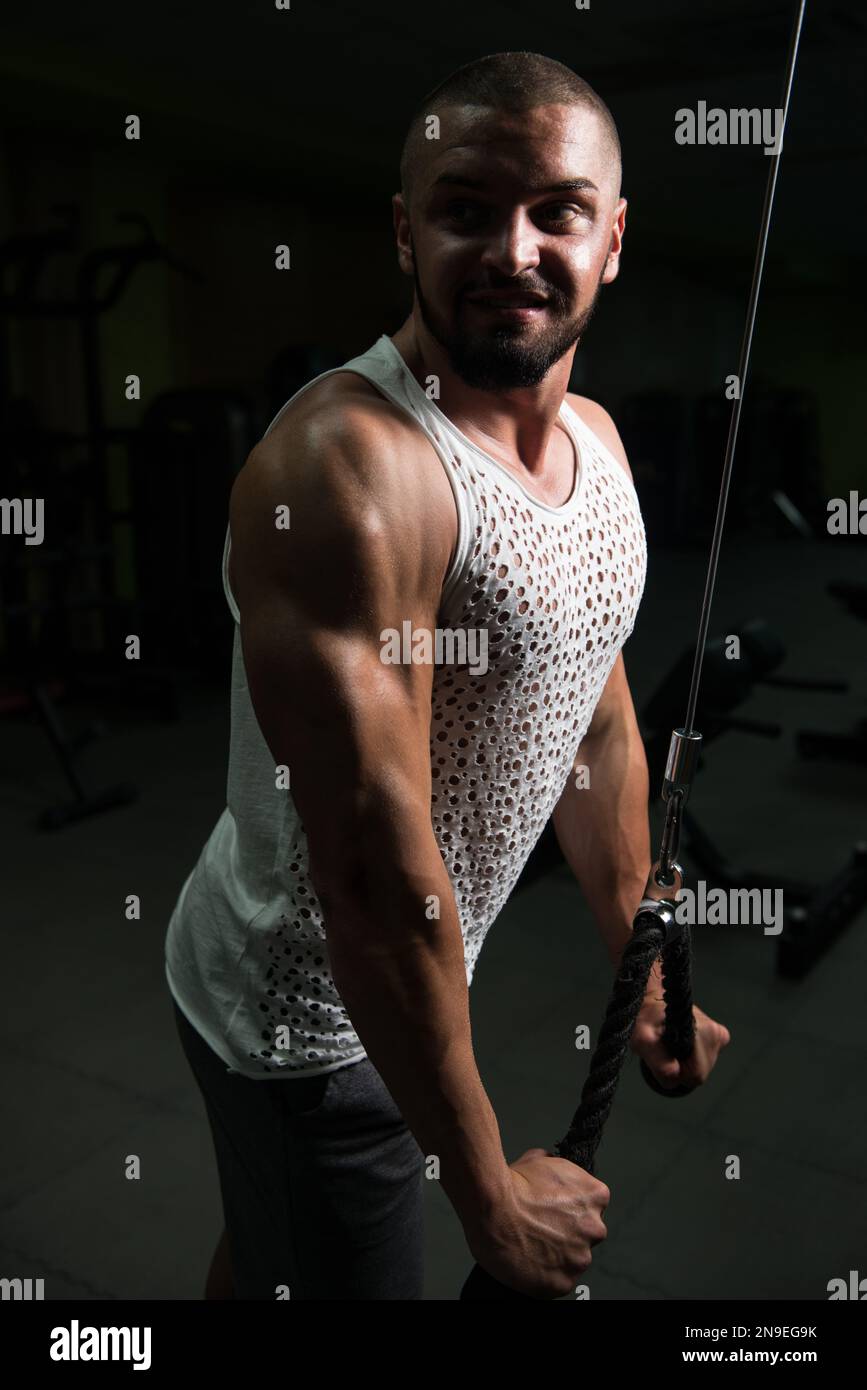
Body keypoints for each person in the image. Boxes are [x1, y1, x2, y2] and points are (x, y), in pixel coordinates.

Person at [165, 50, 731, 1302]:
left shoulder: (598, 443)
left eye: (558, 212)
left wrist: (635, 967)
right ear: (406, 228)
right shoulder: (349, 476)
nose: (513, 249)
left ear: (615, 237)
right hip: (308, 1021)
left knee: (275, 1251)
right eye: (468, 208)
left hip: (405, 970)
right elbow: (370, 874)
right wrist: (484, 1190)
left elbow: (596, 714)